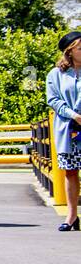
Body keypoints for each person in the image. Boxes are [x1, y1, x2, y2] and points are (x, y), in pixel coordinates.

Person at [46, 30, 81, 232]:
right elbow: (54, 100)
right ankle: (71, 215)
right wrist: (73, 115)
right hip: (69, 129)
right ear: (70, 51)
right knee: (70, 172)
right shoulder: (55, 74)